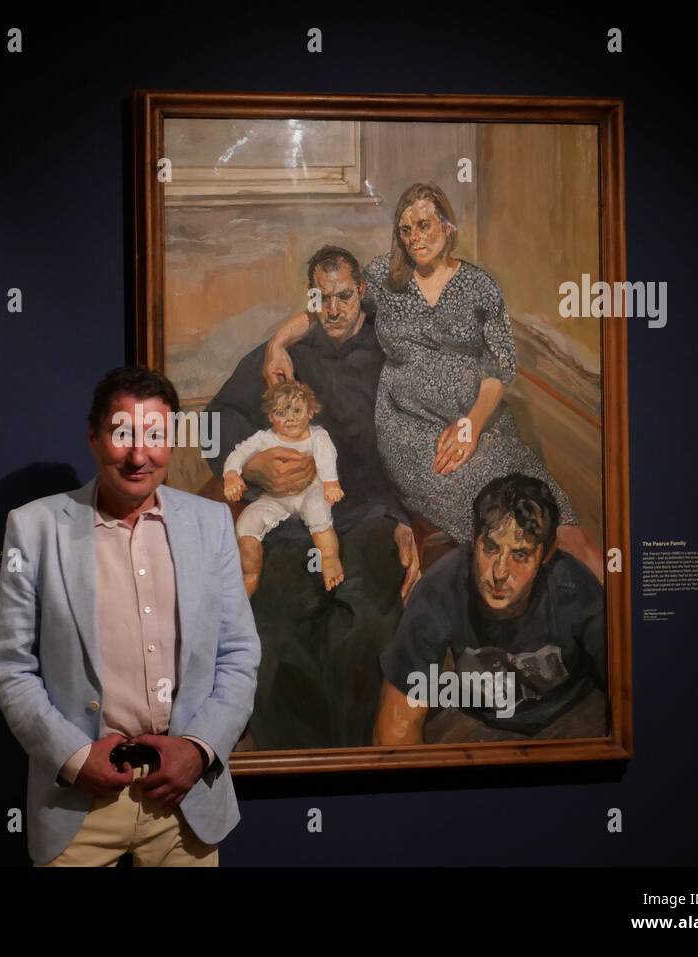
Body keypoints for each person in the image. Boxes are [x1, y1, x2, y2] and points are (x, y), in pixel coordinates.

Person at [0, 366, 260, 866]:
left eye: (155, 436)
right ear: (93, 437)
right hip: (79, 802)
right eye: (122, 435)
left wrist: (198, 750)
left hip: (184, 801)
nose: (139, 455)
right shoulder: (33, 529)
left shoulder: (211, 522)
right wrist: (75, 757)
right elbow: (12, 668)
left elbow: (239, 654)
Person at [264, 184, 602, 579]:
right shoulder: (384, 279)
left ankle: (607, 616)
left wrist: (472, 426)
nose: (415, 238)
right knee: (504, 523)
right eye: (406, 230)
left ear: (447, 226)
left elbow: (499, 368)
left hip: (481, 426)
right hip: (409, 432)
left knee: (557, 520)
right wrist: (277, 344)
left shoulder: (481, 287)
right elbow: (325, 306)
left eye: (423, 225)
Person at [204, 245, 415, 750]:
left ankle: (351, 761)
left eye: (345, 296)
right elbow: (213, 426)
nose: (335, 310)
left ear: (362, 291)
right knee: (277, 625)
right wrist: (252, 467)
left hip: (368, 513)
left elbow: (417, 446)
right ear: (311, 299)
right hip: (289, 519)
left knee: (364, 625)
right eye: (324, 299)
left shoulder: (393, 347)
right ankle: (294, 764)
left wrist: (405, 517)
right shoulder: (285, 354)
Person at [373, 474, 607, 744]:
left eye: (520, 554)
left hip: (572, 716)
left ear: (546, 554)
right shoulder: (440, 587)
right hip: (478, 722)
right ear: (474, 539)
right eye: (491, 547)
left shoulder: (575, 588)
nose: (500, 572)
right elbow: (397, 723)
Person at [223, 380, 345, 595]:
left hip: (310, 491)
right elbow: (238, 453)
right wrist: (232, 475)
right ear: (270, 416)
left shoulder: (317, 437)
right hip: (275, 497)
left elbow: (327, 457)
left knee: (317, 507)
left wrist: (330, 482)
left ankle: (329, 558)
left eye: (297, 410)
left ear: (310, 412)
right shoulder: (264, 438)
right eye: (281, 412)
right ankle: (250, 575)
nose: (290, 418)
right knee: (246, 522)